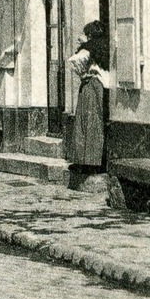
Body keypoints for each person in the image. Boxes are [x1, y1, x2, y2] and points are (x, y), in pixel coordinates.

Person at [66, 20, 111, 184]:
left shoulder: (89, 49)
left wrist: (83, 74)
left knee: (86, 123)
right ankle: (91, 161)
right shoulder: (103, 48)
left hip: (90, 86)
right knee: (93, 123)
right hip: (99, 88)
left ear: (90, 35)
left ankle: (86, 162)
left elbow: (73, 61)